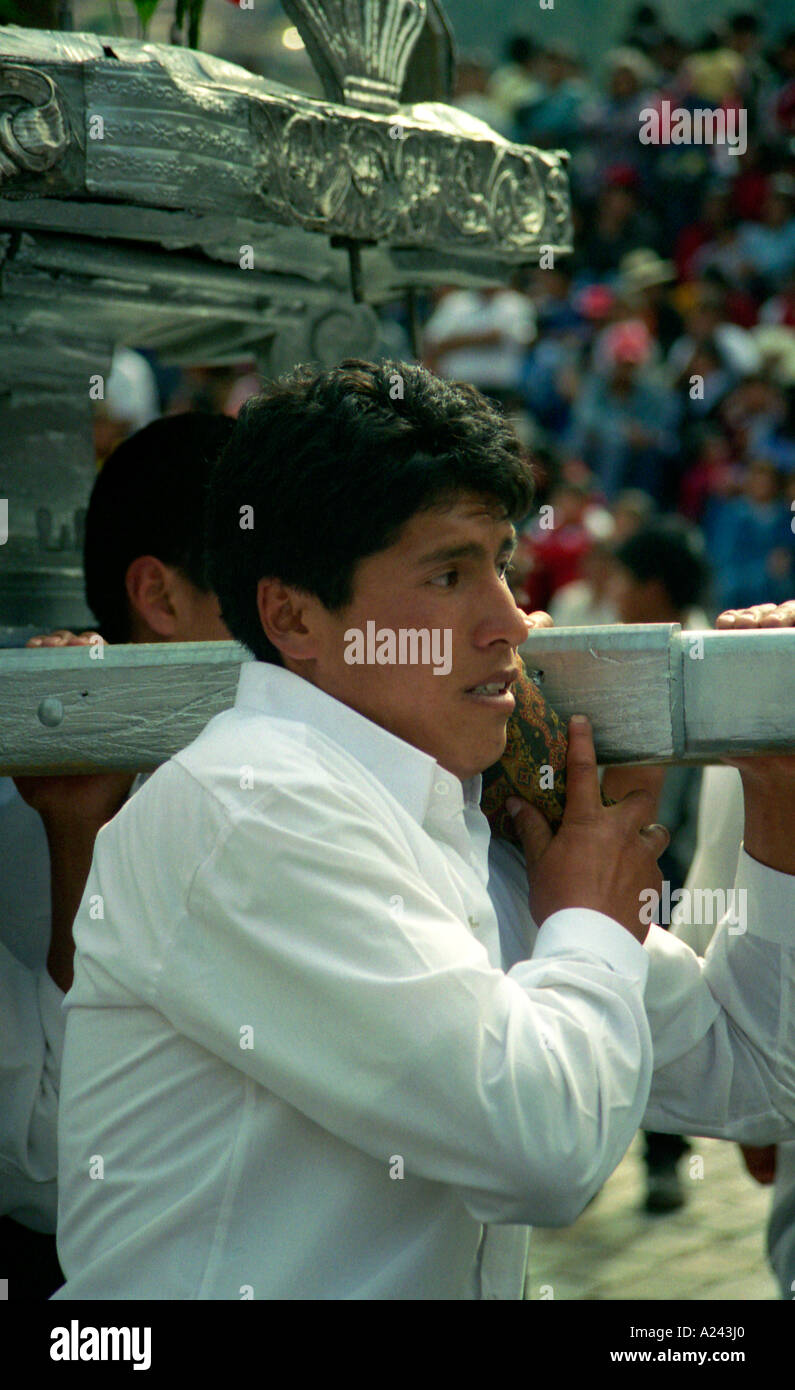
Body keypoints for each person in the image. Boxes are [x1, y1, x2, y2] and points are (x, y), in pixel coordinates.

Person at [53, 361, 795, 1300]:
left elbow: (760, 1076)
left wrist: (778, 791)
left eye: (501, 563)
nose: (510, 620)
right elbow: (540, 1154)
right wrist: (590, 923)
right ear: (293, 616)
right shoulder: (251, 805)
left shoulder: (464, 810)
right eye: (448, 573)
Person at [0, 413, 234, 1297]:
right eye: (272, 594)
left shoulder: (311, 778)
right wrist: (78, 836)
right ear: (161, 598)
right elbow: (69, 1169)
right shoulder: (30, 810)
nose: (307, 632)